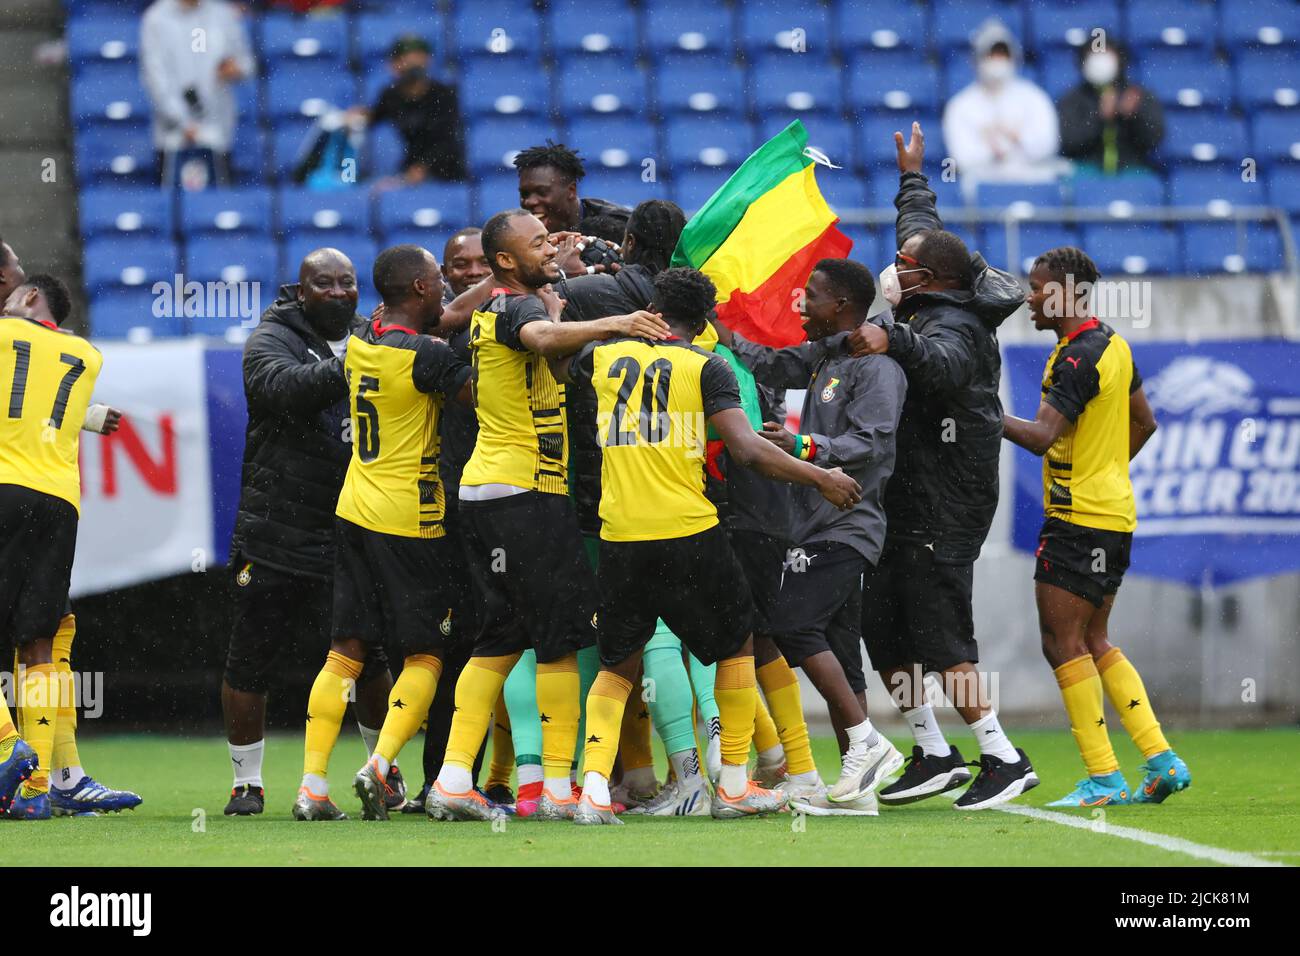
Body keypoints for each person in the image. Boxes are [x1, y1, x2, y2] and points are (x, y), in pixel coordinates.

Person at [554, 267, 863, 825]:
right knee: (737, 646)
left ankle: (595, 787)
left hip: (620, 534)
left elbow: (558, 359)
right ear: (702, 321)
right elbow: (745, 448)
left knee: (618, 662)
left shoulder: (600, 360)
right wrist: (820, 477)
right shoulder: (706, 366)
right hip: (689, 531)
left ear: (652, 306)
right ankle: (736, 785)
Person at [424, 209, 670, 823]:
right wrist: (614, 321)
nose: (551, 249)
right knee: (561, 639)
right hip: (525, 491)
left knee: (501, 637)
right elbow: (538, 340)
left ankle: (454, 778)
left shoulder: (506, 307)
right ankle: (559, 788)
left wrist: (567, 322)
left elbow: (549, 365)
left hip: (488, 492)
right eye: (537, 243)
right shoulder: (516, 308)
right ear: (506, 260)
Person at [847, 122, 1039, 811]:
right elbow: (923, 227)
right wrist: (913, 177)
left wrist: (891, 331)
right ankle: (930, 749)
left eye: (902, 265)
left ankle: (1002, 756)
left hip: (946, 506)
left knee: (940, 634)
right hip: (908, 498)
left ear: (924, 281)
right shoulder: (934, 288)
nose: (891, 269)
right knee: (883, 626)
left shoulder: (954, 327)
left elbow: (944, 369)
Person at [718, 259, 909, 815]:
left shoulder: (877, 369)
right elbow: (770, 364)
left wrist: (802, 449)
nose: (803, 306)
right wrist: (719, 330)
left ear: (844, 306)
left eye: (814, 297)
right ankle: (859, 788)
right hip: (814, 522)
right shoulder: (825, 355)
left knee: (791, 623)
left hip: (849, 521)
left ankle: (868, 743)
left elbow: (872, 442)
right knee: (843, 648)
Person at [1002, 246, 1190, 807]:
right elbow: (1145, 422)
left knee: (1062, 644)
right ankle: (1161, 760)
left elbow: (1039, 436)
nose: (1029, 297)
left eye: (1036, 287)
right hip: (1114, 515)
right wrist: (1104, 470)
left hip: (1077, 520)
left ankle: (1103, 776)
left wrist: (981, 414)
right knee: (1094, 638)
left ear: (1062, 291)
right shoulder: (1113, 343)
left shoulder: (1076, 357)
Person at [222, 249, 397, 817]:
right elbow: (281, 389)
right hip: (277, 528)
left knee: (368, 657)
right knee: (252, 658)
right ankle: (246, 784)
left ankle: (380, 774)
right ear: (301, 292)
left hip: (352, 525)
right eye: (324, 284)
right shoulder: (271, 337)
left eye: (348, 283)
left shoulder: (369, 332)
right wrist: (356, 364)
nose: (340, 292)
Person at [0, 238, 138, 817]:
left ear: (29, 294)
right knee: (43, 642)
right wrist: (92, 414)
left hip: (4, 485)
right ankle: (45, 788)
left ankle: (12, 752)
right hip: (58, 500)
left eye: (9, 283)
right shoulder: (88, 354)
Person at [401, 228, 505, 814]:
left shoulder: (514, 317)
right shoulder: (419, 335)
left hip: (507, 503)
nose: (468, 273)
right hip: (440, 506)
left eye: (480, 264)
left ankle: (519, 779)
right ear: (437, 277)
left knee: (502, 644)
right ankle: (438, 778)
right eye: (456, 266)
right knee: (444, 647)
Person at [140, 0, 254, 187]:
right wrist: (184, 122)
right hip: (174, 137)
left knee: (219, 208)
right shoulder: (156, 19)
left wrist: (236, 69)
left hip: (218, 130)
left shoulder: (222, 14)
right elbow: (155, 79)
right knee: (175, 207)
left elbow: (246, 63)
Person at [941, 20, 1059, 185]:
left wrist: (1017, 137)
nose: (998, 61)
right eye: (991, 54)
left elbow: (1047, 146)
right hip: (982, 185)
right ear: (978, 59)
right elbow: (962, 159)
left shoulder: (1034, 97)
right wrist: (993, 149)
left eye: (1003, 54)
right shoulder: (960, 105)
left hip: (1032, 182)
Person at [351, 35, 466, 184]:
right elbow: (374, 117)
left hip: (446, 172)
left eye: (419, 58)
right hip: (411, 168)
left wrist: (424, 167)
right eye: (406, 59)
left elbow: (447, 140)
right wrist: (358, 116)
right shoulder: (391, 95)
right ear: (393, 65)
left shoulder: (443, 94)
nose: (413, 64)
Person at [1058, 41, 1165, 175]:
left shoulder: (1136, 94)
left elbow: (1154, 140)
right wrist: (1099, 117)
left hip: (1132, 169)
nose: (1100, 59)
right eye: (1094, 53)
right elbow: (1067, 142)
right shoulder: (1072, 99)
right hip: (1085, 170)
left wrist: (1135, 117)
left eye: (1105, 52)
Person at [514, 141, 631, 236]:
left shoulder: (621, 227)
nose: (529, 202)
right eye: (524, 194)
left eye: (541, 192)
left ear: (571, 191)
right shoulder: (516, 235)